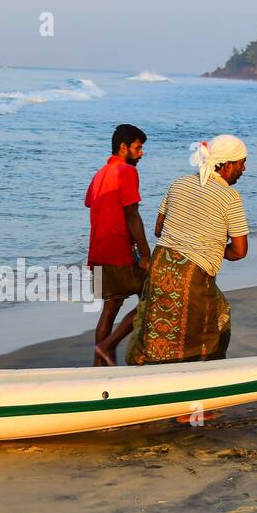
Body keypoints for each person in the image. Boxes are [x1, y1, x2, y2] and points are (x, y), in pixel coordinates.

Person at [98, 135, 250, 366]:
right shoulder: (230, 198)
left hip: (161, 265)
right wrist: (212, 246)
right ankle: (206, 371)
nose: (244, 169)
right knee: (217, 318)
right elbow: (239, 251)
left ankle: (119, 352)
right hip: (192, 274)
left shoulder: (179, 182)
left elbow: (159, 228)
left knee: (151, 315)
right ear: (228, 164)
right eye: (241, 162)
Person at [85, 124, 151, 365]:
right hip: (120, 253)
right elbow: (132, 214)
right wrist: (146, 254)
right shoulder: (127, 172)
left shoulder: (100, 173)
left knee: (109, 309)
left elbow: (91, 203)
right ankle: (109, 346)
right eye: (138, 147)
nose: (141, 153)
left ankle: (98, 366)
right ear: (123, 147)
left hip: (97, 253)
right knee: (153, 298)